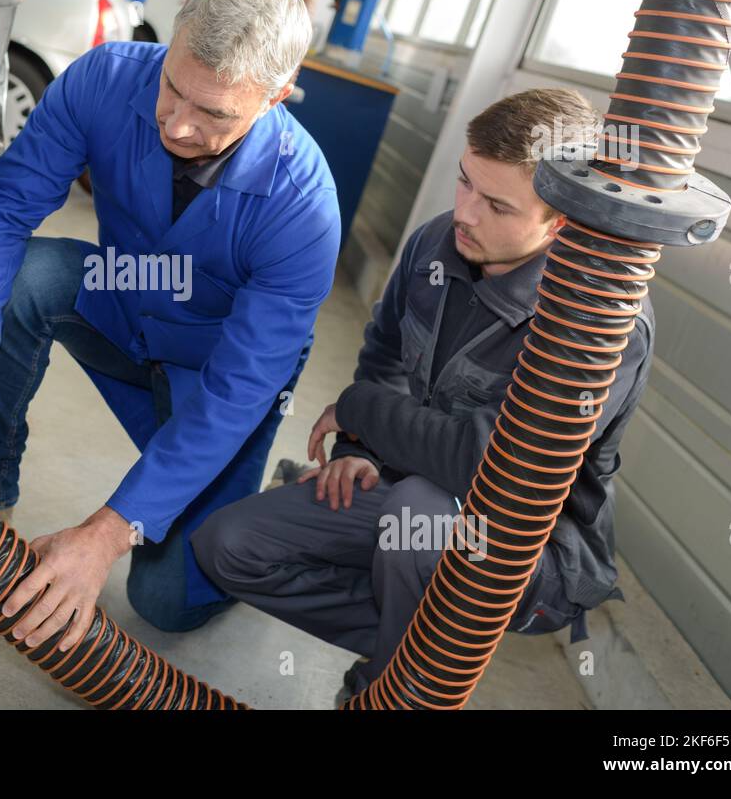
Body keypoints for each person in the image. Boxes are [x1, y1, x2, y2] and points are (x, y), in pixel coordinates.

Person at [0, 0, 342, 653]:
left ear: (279, 96)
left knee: (164, 601)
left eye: (215, 114)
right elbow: (6, 207)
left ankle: (277, 514)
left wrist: (105, 534)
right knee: (25, 279)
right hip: (125, 305)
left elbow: (239, 391)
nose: (177, 123)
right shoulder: (104, 79)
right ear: (172, 36)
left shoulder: (304, 209)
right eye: (174, 87)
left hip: (213, 375)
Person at [192, 88, 655, 701]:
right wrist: (362, 449)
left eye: (497, 205)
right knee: (226, 547)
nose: (465, 212)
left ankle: (388, 686)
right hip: (412, 486)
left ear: (561, 220)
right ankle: (411, 644)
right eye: (465, 182)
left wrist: (359, 412)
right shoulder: (438, 243)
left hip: (528, 551)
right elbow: (384, 352)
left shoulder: (602, 326)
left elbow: (495, 466)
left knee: (418, 512)